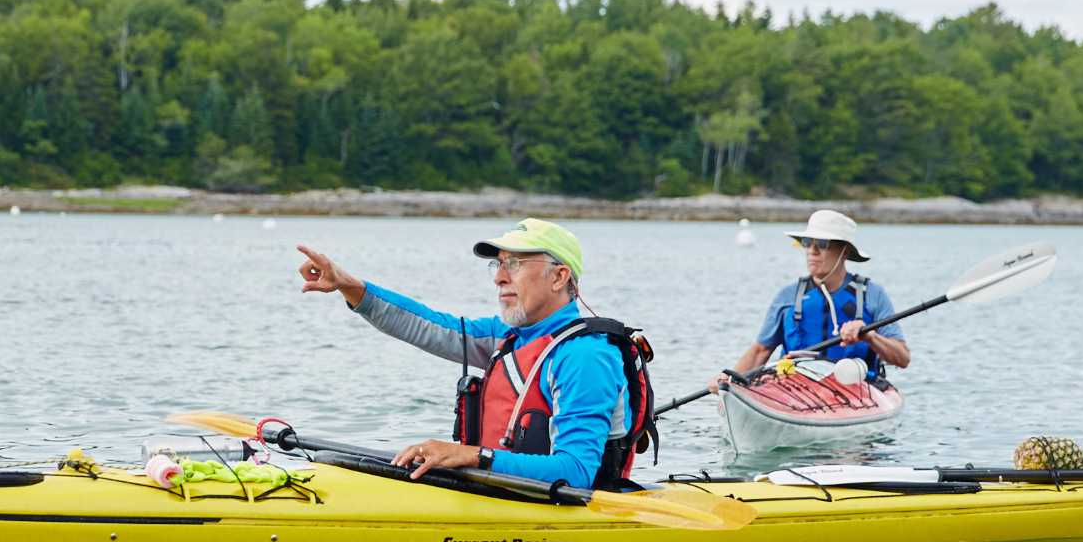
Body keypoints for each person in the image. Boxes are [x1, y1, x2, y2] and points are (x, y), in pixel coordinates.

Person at [295, 217, 653, 490]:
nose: (498, 277)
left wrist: (472, 456)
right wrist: (351, 287)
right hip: (504, 494)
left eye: (513, 264)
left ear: (559, 277)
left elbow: (575, 472)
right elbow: (432, 327)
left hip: (567, 510)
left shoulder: (585, 357)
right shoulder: (511, 337)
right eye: (497, 265)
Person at [713, 209, 910, 390]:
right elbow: (760, 351)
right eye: (807, 243)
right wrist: (729, 381)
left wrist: (870, 336)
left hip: (856, 388)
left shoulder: (872, 295)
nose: (812, 251)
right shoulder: (787, 296)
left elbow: (902, 358)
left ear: (845, 251)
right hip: (794, 389)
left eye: (822, 244)